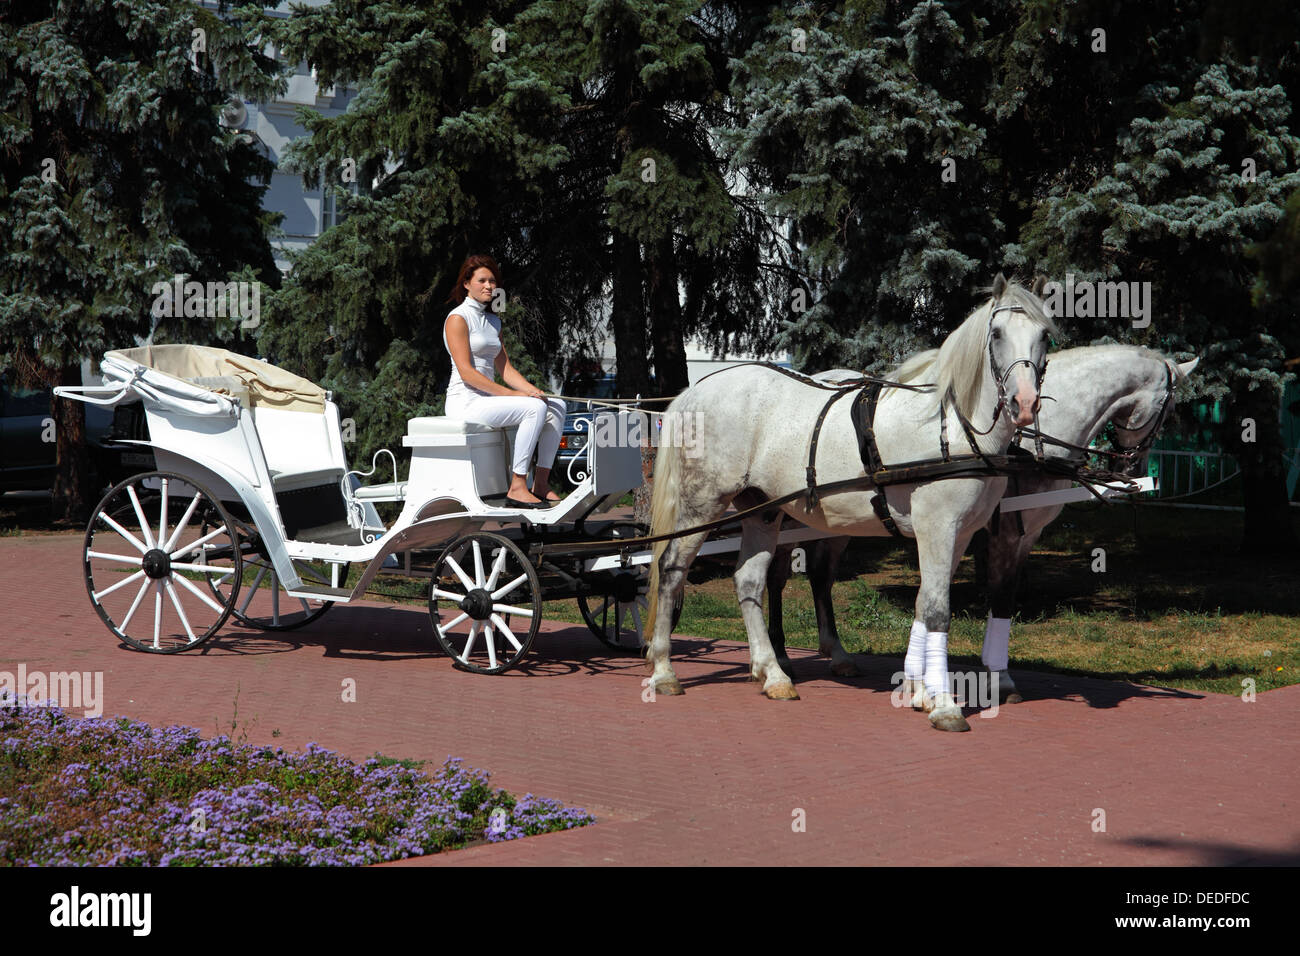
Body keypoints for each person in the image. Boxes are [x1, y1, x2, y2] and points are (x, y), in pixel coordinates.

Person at [443, 254, 565, 508]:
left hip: (486, 401)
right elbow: (467, 372)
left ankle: (540, 484)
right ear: (466, 284)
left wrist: (533, 390)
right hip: (464, 402)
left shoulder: (493, 321)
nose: (489, 286)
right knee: (534, 408)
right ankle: (518, 486)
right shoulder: (458, 318)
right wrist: (513, 395)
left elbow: (505, 368)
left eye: (492, 281)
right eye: (482, 281)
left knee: (555, 405)